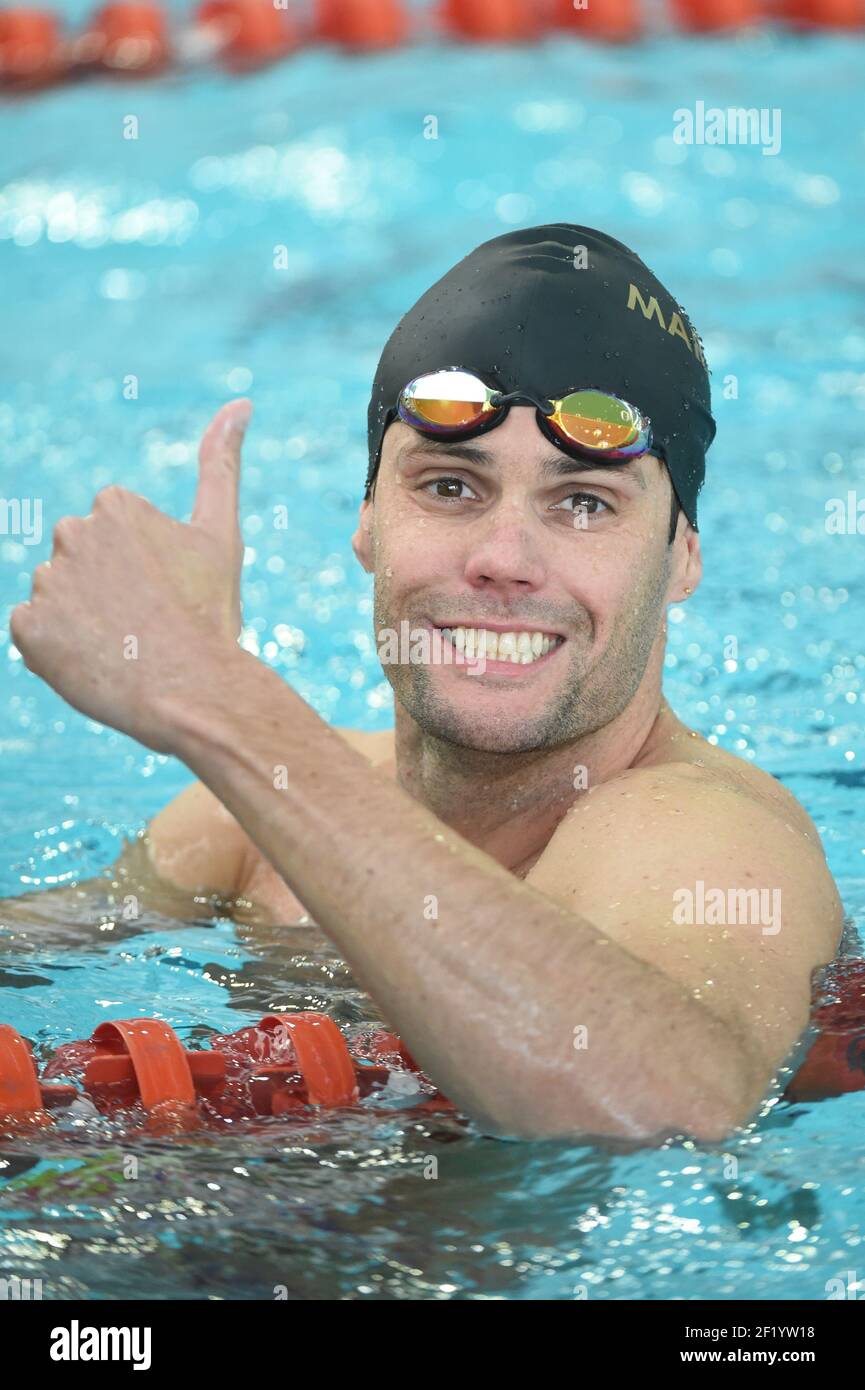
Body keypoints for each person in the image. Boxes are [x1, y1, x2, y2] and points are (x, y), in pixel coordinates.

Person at [7, 224, 844, 1144]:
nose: (502, 559)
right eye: (449, 486)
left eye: (583, 502)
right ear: (367, 523)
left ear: (680, 559)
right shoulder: (252, 824)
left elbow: (679, 1106)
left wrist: (211, 696)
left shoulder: (704, 839)